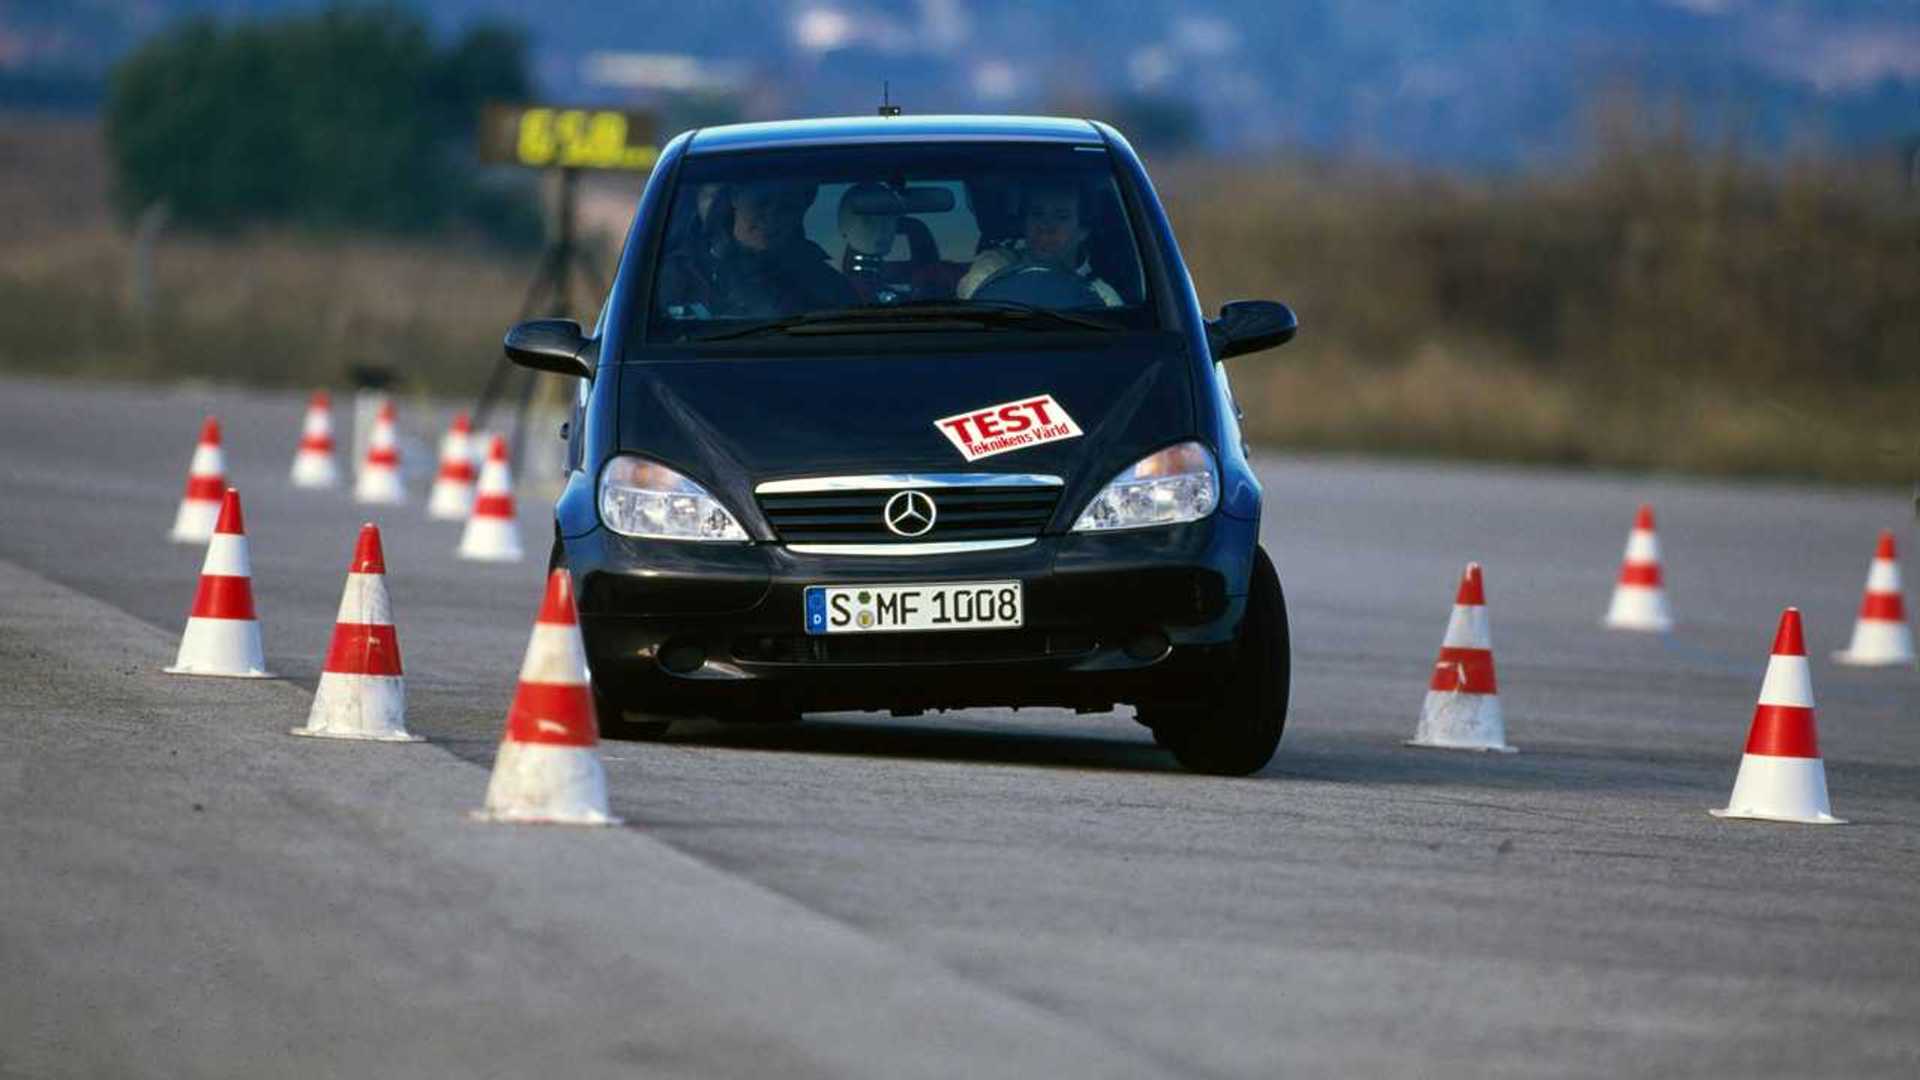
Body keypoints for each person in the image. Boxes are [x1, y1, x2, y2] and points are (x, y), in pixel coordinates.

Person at [658, 181, 857, 319]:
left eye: (785, 208)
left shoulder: (826, 286)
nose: (771, 218)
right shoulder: (673, 276)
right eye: (762, 202)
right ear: (735, 197)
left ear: (801, 212)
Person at [956, 180, 1123, 307]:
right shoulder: (994, 265)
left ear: (1083, 231)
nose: (1045, 227)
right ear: (1025, 223)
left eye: (1061, 217)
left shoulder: (1103, 299)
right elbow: (974, 299)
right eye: (1037, 214)